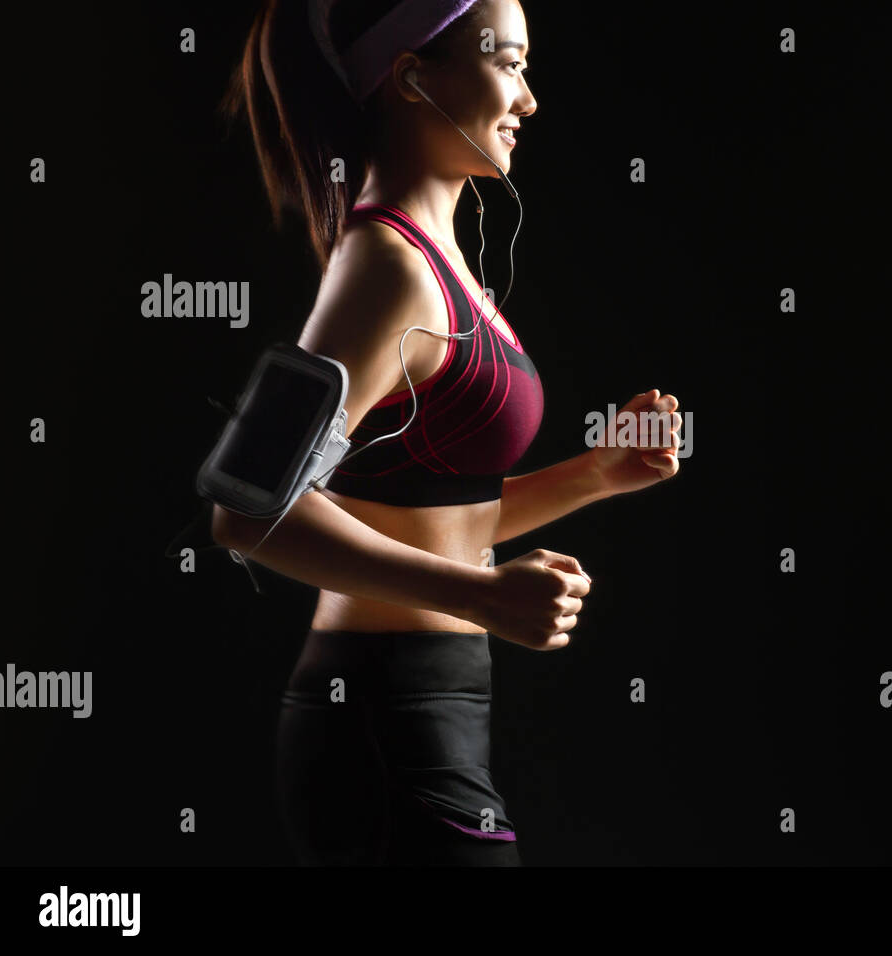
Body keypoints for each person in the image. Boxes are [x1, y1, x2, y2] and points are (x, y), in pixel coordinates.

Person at [213, 0, 682, 865]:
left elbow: (425, 515)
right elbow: (247, 512)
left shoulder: (440, 262)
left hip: (428, 707)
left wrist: (595, 474)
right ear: (413, 77)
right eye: (507, 61)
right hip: (381, 717)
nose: (530, 98)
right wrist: (481, 597)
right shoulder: (388, 268)